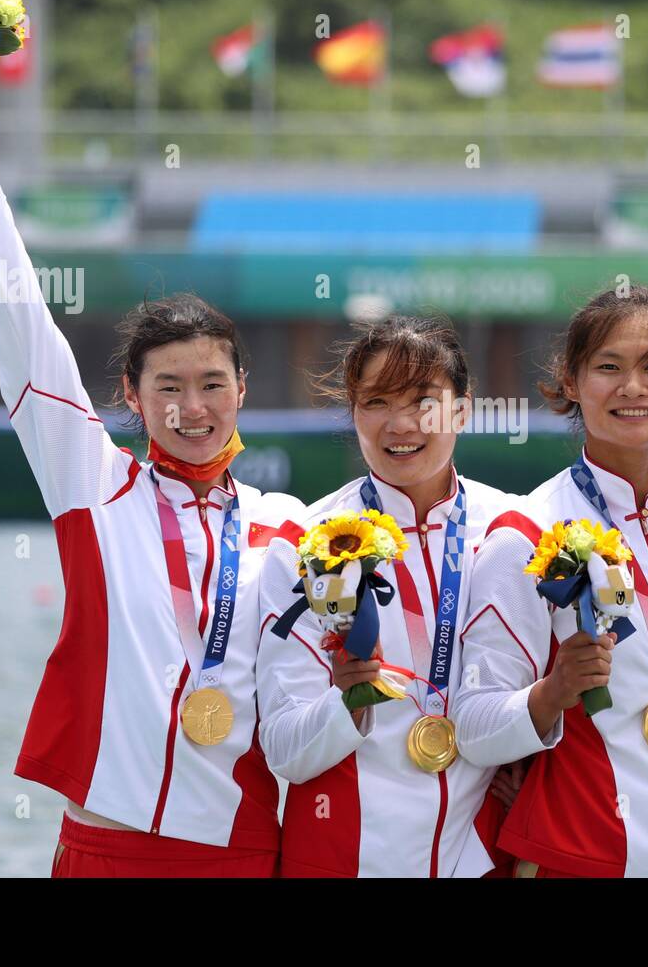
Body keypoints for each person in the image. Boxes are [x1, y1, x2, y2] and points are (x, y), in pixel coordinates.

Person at [0, 81, 301, 877]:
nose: (191, 407)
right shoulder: (94, 485)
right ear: (131, 397)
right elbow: (25, 330)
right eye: (167, 387)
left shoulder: (296, 526)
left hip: (245, 846)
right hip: (110, 844)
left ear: (244, 388)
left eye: (210, 384)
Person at [452, 284, 648, 877]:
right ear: (570, 380)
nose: (633, 388)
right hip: (583, 855)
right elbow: (475, 727)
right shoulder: (527, 532)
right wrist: (553, 692)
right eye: (608, 367)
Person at [256, 316, 521, 876]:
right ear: (353, 413)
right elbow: (284, 751)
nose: (399, 424)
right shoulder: (305, 543)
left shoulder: (517, 532)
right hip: (343, 855)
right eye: (375, 402)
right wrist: (345, 700)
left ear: (463, 409)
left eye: (424, 400)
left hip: (479, 856)